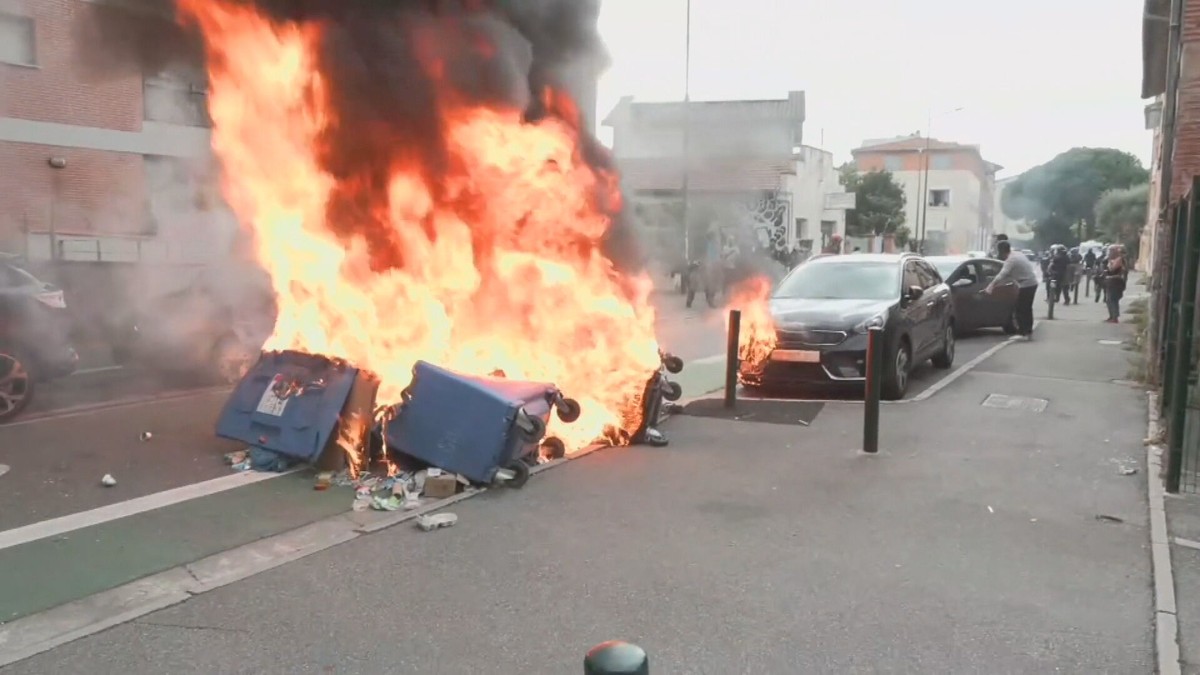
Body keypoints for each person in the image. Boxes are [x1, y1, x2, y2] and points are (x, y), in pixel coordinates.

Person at [984, 241, 1039, 340]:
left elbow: (1002, 274)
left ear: (1001, 251)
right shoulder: (1017, 254)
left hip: (1026, 284)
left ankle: (1023, 333)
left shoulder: (1011, 260)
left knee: (1021, 309)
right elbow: (1009, 275)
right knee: (1026, 308)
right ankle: (1028, 332)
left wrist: (990, 286)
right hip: (1031, 283)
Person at [1101, 246, 1128, 323]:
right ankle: (1112, 316)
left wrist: (1109, 263)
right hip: (1111, 281)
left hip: (1116, 281)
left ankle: (1115, 317)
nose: (1109, 253)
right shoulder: (1113, 259)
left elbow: (1112, 269)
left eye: (1111, 251)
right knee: (1109, 300)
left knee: (1112, 299)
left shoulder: (1119, 259)